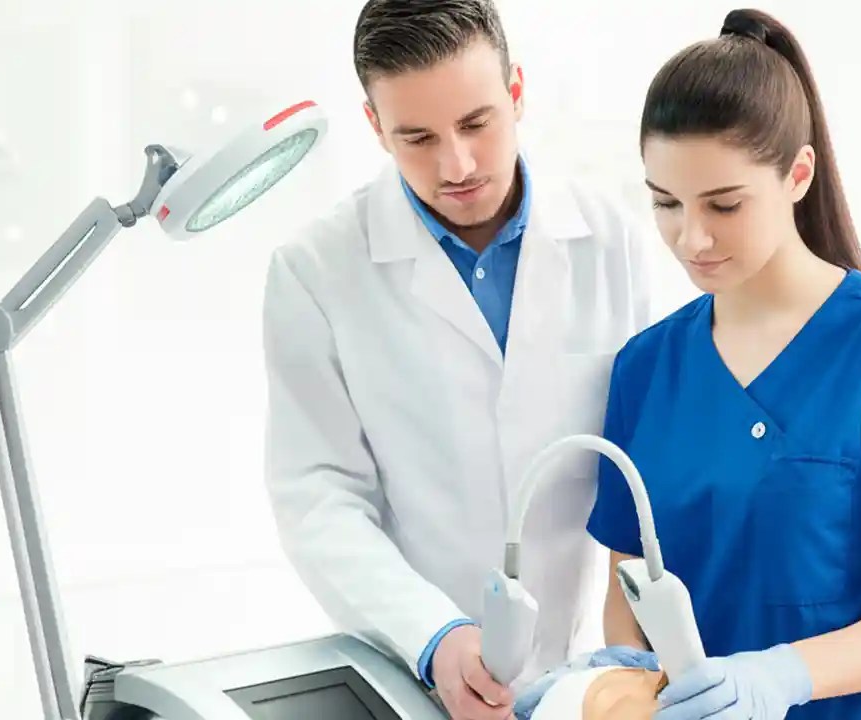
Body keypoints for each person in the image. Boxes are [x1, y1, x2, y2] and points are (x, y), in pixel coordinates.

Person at [522, 8, 861, 720]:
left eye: (725, 204)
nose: (692, 237)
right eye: (666, 203)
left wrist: (787, 674)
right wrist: (617, 687)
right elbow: (629, 602)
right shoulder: (646, 368)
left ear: (798, 174)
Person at [260, 1, 653, 719]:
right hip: (408, 675)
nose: (458, 165)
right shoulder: (316, 272)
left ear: (517, 92)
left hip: (582, 681)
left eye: (477, 124)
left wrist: (634, 650)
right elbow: (317, 498)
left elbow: (649, 465)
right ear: (375, 127)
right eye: (417, 137)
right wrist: (432, 636)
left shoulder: (608, 241)